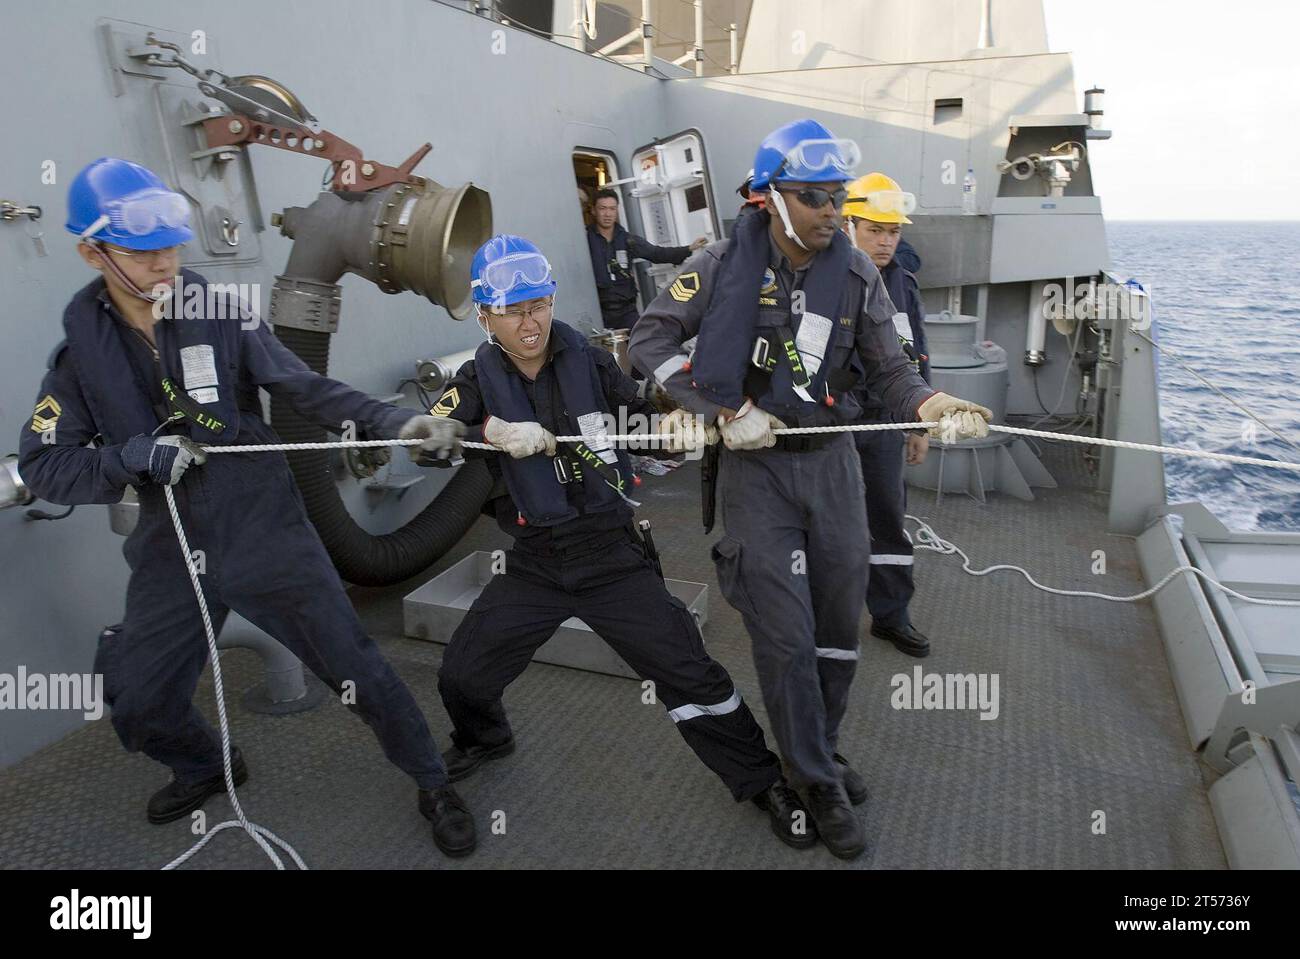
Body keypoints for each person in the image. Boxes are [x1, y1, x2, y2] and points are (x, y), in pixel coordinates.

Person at [17, 157, 477, 857]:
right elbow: (44, 464)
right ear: (92, 251)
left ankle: (432, 777)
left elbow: (302, 386)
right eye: (145, 253)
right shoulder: (77, 359)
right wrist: (128, 460)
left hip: (261, 523)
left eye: (172, 245)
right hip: (171, 541)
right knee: (137, 694)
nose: (166, 263)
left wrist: (395, 424)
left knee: (356, 664)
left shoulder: (219, 313)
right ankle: (206, 765)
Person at [629, 120, 993, 859]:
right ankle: (815, 778)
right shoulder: (720, 261)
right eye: (815, 196)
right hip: (757, 473)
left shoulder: (856, 274)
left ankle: (815, 752)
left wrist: (933, 405)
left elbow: (891, 370)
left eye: (837, 196)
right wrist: (725, 411)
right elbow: (649, 341)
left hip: (834, 467)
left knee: (834, 632)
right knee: (787, 637)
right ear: (771, 199)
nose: (832, 210)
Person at [424, 234, 817, 849]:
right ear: (484, 315)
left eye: (539, 305)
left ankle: (763, 780)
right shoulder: (474, 379)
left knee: (691, 675)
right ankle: (485, 737)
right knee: (462, 675)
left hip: (609, 553)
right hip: (535, 562)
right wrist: (489, 429)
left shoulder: (588, 361)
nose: (530, 323)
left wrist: (673, 424)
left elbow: (634, 414)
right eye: (512, 311)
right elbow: (430, 442)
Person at [842, 172, 932, 658]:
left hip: (882, 423)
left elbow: (916, 352)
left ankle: (891, 615)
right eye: (874, 229)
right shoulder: (822, 276)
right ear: (848, 224)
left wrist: (917, 423)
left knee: (887, 521)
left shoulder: (903, 281)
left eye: (893, 231)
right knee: (826, 525)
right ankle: (823, 621)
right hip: (832, 424)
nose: (885, 240)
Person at [586, 188, 707, 330]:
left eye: (612, 209)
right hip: (598, 312)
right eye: (602, 208)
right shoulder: (585, 240)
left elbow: (656, 253)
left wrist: (688, 249)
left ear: (617, 211)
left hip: (626, 311)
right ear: (594, 210)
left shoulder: (627, 239)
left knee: (643, 341)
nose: (607, 214)